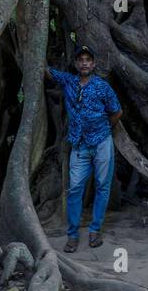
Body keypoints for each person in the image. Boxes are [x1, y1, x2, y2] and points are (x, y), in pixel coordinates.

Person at [45, 46, 121, 251]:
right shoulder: (69, 81)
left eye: (88, 59)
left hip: (102, 143)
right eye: (81, 60)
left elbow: (116, 111)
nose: (84, 63)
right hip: (79, 146)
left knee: (102, 186)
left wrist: (103, 129)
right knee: (75, 188)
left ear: (93, 64)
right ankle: (72, 235)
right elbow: (47, 71)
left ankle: (95, 231)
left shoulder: (102, 86)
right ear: (76, 64)